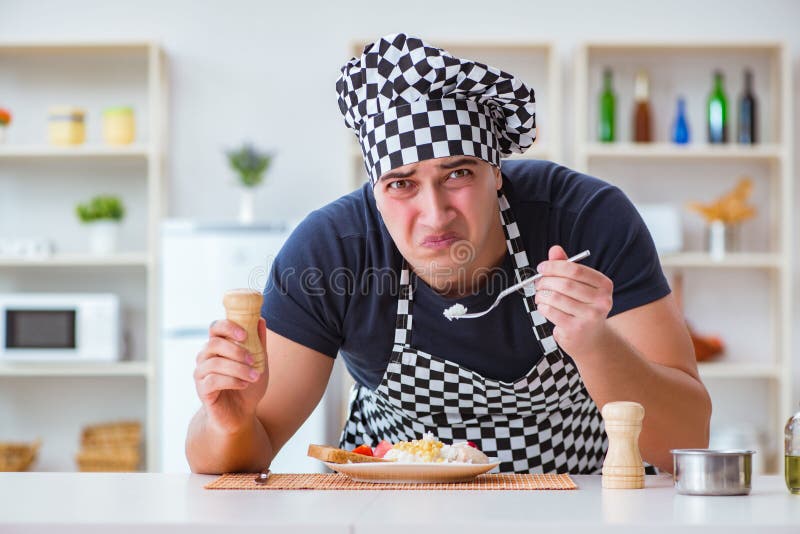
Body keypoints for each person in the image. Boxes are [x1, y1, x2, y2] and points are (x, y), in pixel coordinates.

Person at [186, 33, 711, 475]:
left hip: (584, 503)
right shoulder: (332, 251)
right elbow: (247, 455)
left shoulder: (584, 219)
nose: (435, 214)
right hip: (391, 511)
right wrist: (227, 423)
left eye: (458, 174)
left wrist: (595, 343)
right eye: (401, 184)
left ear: (496, 173)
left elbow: (687, 441)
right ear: (374, 191)